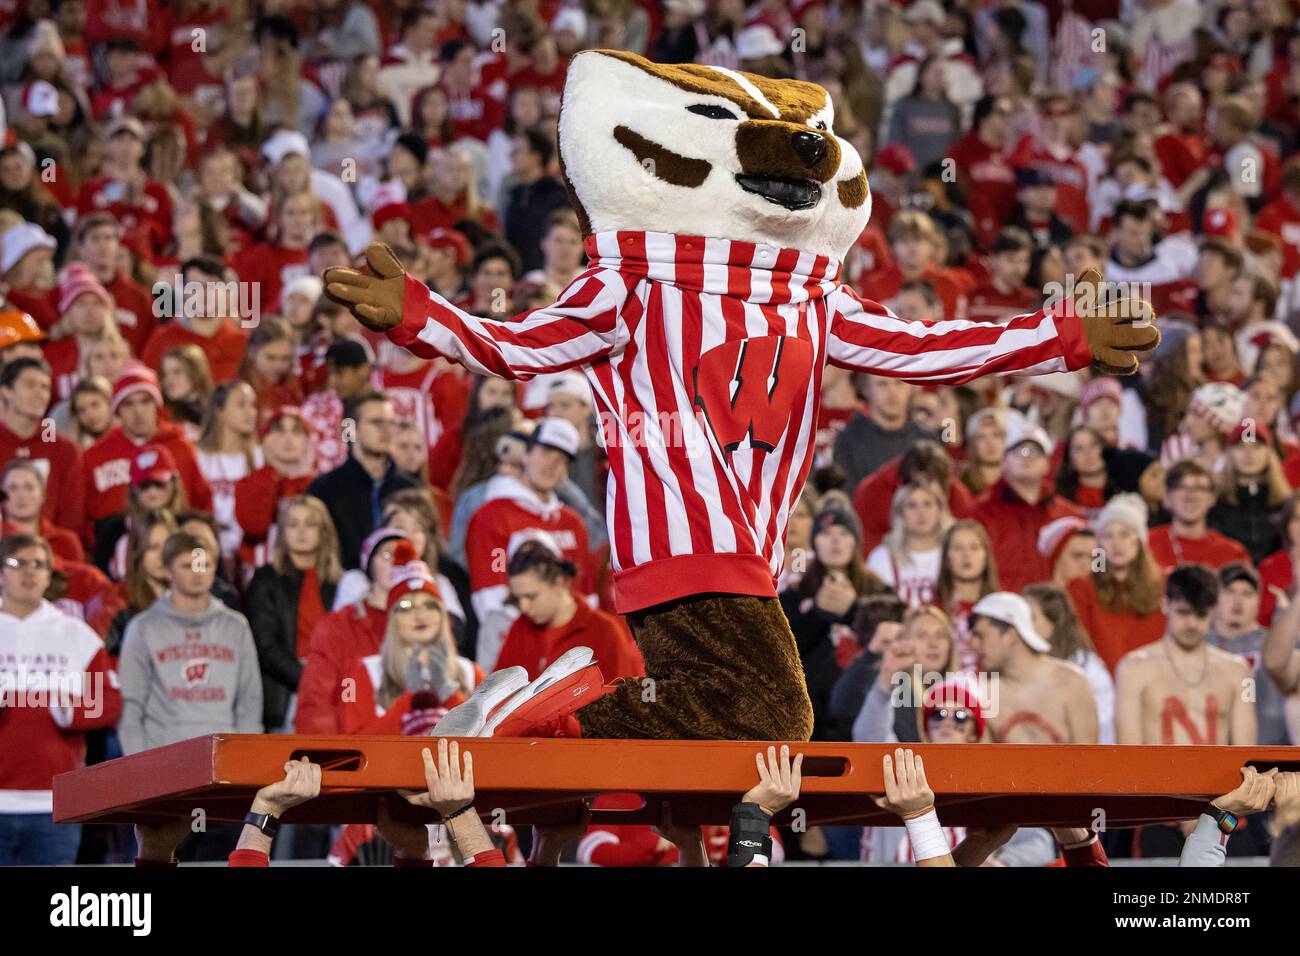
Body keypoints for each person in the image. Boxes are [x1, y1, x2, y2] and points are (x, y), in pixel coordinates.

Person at [1116, 565, 1258, 856]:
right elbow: (1130, 754)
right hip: (1158, 815)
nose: (1192, 624)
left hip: (1225, 814)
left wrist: (1209, 816)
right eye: (1183, 613)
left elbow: (1246, 753)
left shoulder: (1237, 670)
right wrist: (1181, 813)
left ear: (1213, 611)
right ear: (1165, 605)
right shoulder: (1134, 668)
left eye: (1201, 615)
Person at [0, 533, 122, 865]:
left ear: (49, 575)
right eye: (17, 563)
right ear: (1, 573)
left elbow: (108, 702)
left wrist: (72, 711)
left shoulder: (76, 635)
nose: (29, 572)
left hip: (53, 803)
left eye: (39, 564)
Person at [465, 417, 596, 671]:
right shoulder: (492, 515)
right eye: (546, 451)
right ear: (526, 453)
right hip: (516, 645)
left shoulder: (573, 523)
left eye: (563, 459)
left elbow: (586, 594)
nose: (552, 464)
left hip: (572, 647)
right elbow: (491, 600)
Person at [117, 530, 263, 756]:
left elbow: (250, 702)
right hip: (163, 759)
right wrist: (141, 769)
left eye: (205, 564)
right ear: (167, 570)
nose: (198, 573)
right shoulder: (144, 628)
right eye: (187, 566)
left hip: (224, 758)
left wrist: (245, 759)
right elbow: (130, 706)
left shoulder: (236, 627)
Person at [335, 540, 484, 735]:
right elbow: (357, 745)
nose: (420, 615)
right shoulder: (365, 672)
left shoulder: (471, 672)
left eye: (430, 605)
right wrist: (410, 699)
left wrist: (450, 696)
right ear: (391, 618)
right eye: (406, 607)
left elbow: (488, 739)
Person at [294, 528, 409, 735]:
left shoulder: (428, 622)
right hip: (355, 747)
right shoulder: (338, 626)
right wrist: (326, 756)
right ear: (369, 564)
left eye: (405, 556)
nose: (396, 562)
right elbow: (316, 702)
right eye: (386, 555)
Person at [244, 496, 342, 733]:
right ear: (282, 532)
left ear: (324, 531)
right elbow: (265, 645)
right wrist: (310, 680)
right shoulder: (266, 579)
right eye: (293, 524)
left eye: (310, 524)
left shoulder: (342, 582)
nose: (301, 532)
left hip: (336, 688)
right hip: (286, 691)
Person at [82, 363, 212, 542]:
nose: (138, 411)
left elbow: (202, 504)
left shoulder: (181, 447)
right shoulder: (94, 455)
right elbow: (82, 518)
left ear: (157, 404)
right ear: (117, 410)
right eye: (128, 404)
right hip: (114, 547)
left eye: (145, 400)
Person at [497, 539, 643, 683]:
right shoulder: (520, 628)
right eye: (518, 598)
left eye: (531, 596)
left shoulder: (603, 632)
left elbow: (622, 696)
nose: (524, 606)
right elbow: (499, 690)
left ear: (559, 582)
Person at [307, 390, 419, 569]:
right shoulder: (325, 490)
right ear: (350, 429)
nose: (386, 430)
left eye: (391, 423)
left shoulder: (410, 488)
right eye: (377, 423)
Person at [969, 592, 1099, 744]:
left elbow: (1090, 760)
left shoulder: (1070, 683)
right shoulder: (983, 692)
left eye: (981, 636)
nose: (974, 645)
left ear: (1010, 635)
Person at [972, 419, 1082, 592]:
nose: (1027, 457)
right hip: (1003, 610)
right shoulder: (980, 512)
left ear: (1047, 463)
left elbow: (1098, 562)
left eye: (1035, 451)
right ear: (1004, 461)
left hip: (1057, 612)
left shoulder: (1070, 516)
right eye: (1019, 451)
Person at [1068, 493, 1168, 673]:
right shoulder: (1082, 588)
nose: (1116, 543)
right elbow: (1081, 644)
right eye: (1107, 536)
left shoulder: (1164, 584)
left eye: (1124, 534)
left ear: (1138, 540)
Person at [1205, 564, 1293, 747]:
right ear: (1214, 597)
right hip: (1211, 748)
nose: (1238, 601)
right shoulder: (1199, 645)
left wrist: (1284, 618)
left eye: (1247, 593)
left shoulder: (1274, 646)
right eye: (1229, 591)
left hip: (1272, 750)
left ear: (1259, 600)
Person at [0, 357, 85, 536]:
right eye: (30, 385)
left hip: (51, 548)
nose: (40, 394)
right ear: (6, 392)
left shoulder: (63, 449)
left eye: (45, 387)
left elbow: (72, 518)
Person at [1023, 583, 1116, 744]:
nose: (1022, 625)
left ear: (1054, 622)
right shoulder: (1018, 666)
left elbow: (1102, 729)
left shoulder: (1087, 668)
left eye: (1031, 618)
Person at [233, 407, 316, 574]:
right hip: (260, 572)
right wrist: (270, 474)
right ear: (265, 439)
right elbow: (254, 527)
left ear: (307, 441)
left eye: (296, 432)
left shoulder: (318, 486)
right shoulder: (250, 482)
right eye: (279, 431)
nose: (288, 439)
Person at [195, 381, 263, 560]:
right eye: (241, 404)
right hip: (207, 548)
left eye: (253, 405)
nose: (251, 412)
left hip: (250, 551)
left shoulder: (260, 458)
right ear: (220, 411)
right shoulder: (198, 456)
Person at [1209, 422, 1290, 565]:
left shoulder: (1286, 505)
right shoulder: (1214, 502)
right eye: (1240, 447)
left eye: (1257, 446)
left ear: (1269, 452)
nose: (1249, 454)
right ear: (1229, 453)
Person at [833, 376, 932, 492]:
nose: (893, 393)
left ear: (912, 387)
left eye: (900, 383)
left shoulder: (928, 442)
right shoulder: (847, 443)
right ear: (865, 388)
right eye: (882, 384)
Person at [1148, 460, 1250, 572]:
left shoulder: (1233, 553)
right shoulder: (1146, 545)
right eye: (1182, 487)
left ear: (1212, 498)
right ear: (1167, 496)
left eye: (1199, 488)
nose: (1190, 496)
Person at [866, 481, 951, 607]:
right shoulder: (881, 558)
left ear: (940, 510)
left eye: (927, 504)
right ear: (900, 513)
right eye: (912, 506)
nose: (921, 512)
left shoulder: (954, 552)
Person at [934, 519, 999, 673]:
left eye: (974, 547)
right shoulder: (933, 610)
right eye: (957, 548)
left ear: (986, 555)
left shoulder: (1002, 610)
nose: (966, 555)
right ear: (946, 557)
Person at [1, 460, 84, 563]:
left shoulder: (66, 541)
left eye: (29, 487)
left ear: (43, 495)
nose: (21, 495)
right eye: (12, 488)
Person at [1037, 515, 1096, 588]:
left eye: (1092, 558)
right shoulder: (1032, 598)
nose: (1086, 565)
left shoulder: (1101, 596)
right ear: (1056, 558)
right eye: (1077, 556)